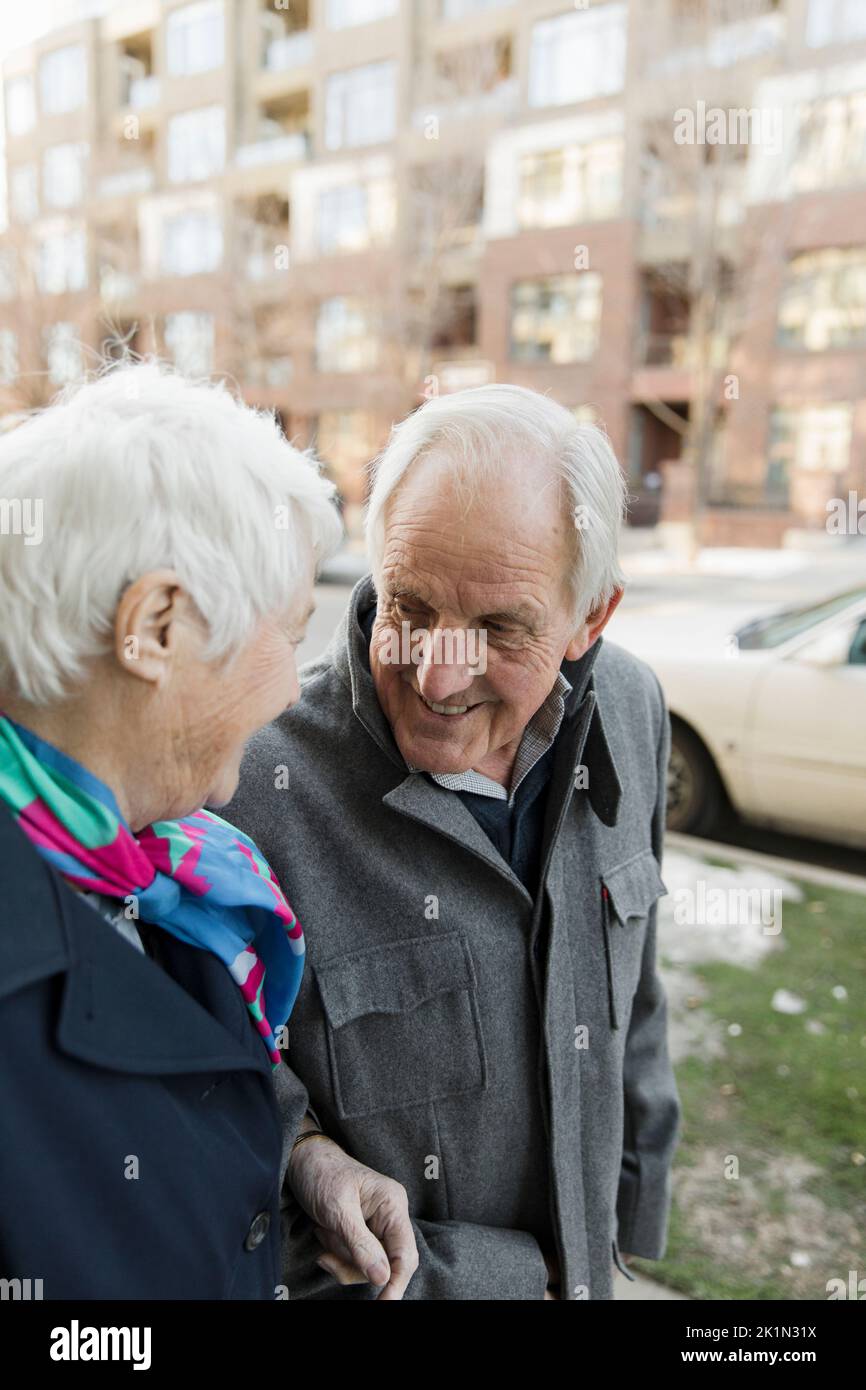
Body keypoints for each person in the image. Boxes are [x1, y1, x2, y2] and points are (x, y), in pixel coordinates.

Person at [228, 383, 682, 1300]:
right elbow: (220, 1147)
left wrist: (626, 1241)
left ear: (591, 618)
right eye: (411, 607)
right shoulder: (248, 784)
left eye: (500, 628)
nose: (438, 677)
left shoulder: (634, 709)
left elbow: (638, 997)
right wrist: (306, 1147)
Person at [0, 363, 418, 1300]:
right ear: (154, 626)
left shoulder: (161, 873)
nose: (291, 685)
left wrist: (299, 1154)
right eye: (290, 626)